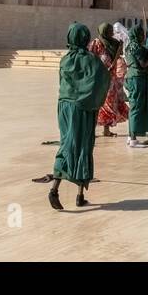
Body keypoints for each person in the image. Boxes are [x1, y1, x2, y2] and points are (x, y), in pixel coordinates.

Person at [49, 23, 111, 210]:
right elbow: (103, 80)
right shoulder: (92, 60)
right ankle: (66, 192)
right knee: (81, 146)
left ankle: (67, 192)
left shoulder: (65, 60)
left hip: (64, 107)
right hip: (82, 109)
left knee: (67, 143)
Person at [88, 22, 129, 137]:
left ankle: (106, 130)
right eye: (109, 30)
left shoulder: (115, 43)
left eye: (112, 30)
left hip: (111, 80)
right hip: (98, 79)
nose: (112, 33)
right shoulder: (95, 44)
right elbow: (90, 58)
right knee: (97, 105)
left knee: (109, 104)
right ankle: (90, 130)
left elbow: (119, 54)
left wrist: (120, 47)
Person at [124, 23, 148, 147]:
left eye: (144, 34)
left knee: (134, 106)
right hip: (137, 79)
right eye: (141, 34)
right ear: (136, 35)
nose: (143, 36)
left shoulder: (129, 46)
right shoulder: (135, 47)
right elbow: (143, 64)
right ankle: (133, 139)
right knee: (136, 107)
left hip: (133, 78)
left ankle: (130, 135)